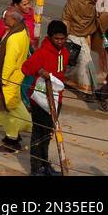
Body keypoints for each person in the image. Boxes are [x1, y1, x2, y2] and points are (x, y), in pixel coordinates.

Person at [21, 20, 71, 175]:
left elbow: (62, 73)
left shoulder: (66, 53)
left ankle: (45, 164)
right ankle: (36, 168)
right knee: (38, 132)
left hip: (56, 99)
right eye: (57, 39)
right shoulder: (42, 52)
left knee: (48, 133)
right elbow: (25, 67)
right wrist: (40, 71)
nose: (60, 42)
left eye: (63, 39)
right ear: (50, 37)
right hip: (39, 99)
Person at [0, 9, 32, 155]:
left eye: (6, 19)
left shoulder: (13, 38)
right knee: (14, 107)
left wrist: (2, 80)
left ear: (14, 20)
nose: (3, 22)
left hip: (8, 80)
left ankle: (12, 141)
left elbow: (9, 62)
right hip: (16, 78)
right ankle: (21, 131)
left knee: (6, 109)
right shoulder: (23, 31)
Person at [62, 0, 108, 96]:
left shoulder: (98, 0)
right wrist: (63, 36)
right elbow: (66, 18)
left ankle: (69, 81)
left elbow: (103, 17)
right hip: (74, 34)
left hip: (88, 35)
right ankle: (85, 90)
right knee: (85, 61)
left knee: (78, 62)